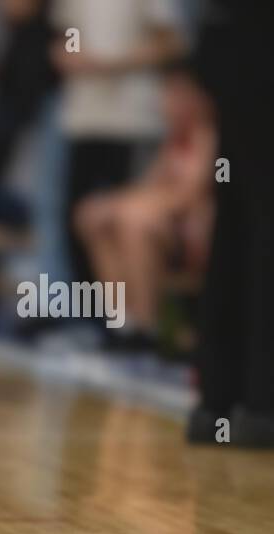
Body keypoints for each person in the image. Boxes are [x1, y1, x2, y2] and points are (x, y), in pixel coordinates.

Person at [75, 64, 215, 354]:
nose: (170, 103)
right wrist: (113, 204)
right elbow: (149, 187)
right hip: (164, 223)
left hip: (195, 232)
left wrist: (132, 205)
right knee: (96, 217)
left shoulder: (208, 137)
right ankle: (122, 323)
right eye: (168, 94)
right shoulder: (173, 140)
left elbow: (191, 195)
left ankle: (147, 327)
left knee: (135, 221)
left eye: (178, 95)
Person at [51, 0, 186, 292]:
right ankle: (103, 318)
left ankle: (136, 320)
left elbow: (172, 42)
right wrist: (71, 55)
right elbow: (68, 36)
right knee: (80, 218)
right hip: (83, 117)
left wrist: (113, 63)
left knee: (123, 222)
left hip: (133, 120)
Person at [188, 0, 274, 447]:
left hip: (229, 40)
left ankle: (217, 402)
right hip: (258, 45)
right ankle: (261, 403)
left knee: (236, 220)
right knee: (261, 225)